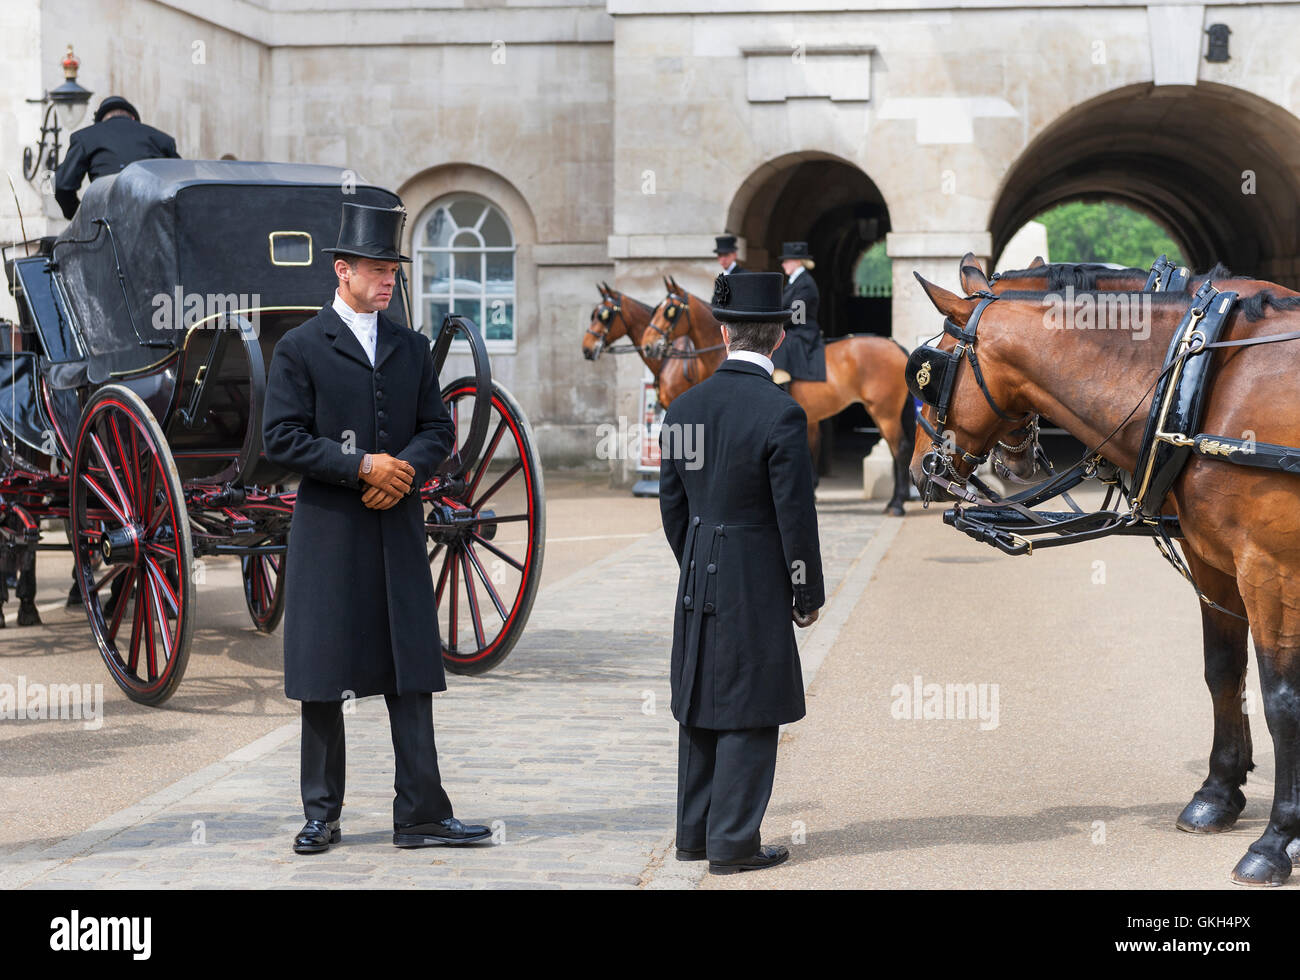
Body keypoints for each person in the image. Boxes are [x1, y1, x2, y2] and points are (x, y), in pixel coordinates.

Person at [262, 202, 491, 854]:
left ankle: (421, 812)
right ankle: (321, 814)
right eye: (376, 269)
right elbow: (281, 438)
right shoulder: (301, 347)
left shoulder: (410, 346)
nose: (388, 279)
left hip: (393, 529)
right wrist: (361, 464)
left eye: (393, 269)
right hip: (330, 528)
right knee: (323, 674)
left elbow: (437, 429)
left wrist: (404, 473)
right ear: (343, 271)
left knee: (410, 672)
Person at [657, 271, 825, 875]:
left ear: (724, 332)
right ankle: (732, 844)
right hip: (756, 574)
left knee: (699, 700)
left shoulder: (685, 407)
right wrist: (805, 590)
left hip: (699, 569)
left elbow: (672, 505)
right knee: (752, 706)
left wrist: (699, 562)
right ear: (778, 338)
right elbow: (795, 519)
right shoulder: (781, 414)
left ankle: (694, 835)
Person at [54, 96, 180, 220]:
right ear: (132, 117)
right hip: (153, 220)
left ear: (102, 120)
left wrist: (77, 215)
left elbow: (62, 185)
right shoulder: (162, 139)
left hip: (107, 223)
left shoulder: (87, 136)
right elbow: (183, 182)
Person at [771, 242, 826, 389]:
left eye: (786, 260)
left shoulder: (806, 283)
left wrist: (773, 325)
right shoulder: (794, 281)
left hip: (803, 331)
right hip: (793, 328)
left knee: (779, 345)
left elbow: (797, 315)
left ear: (797, 261)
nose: (783, 264)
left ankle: (782, 386)